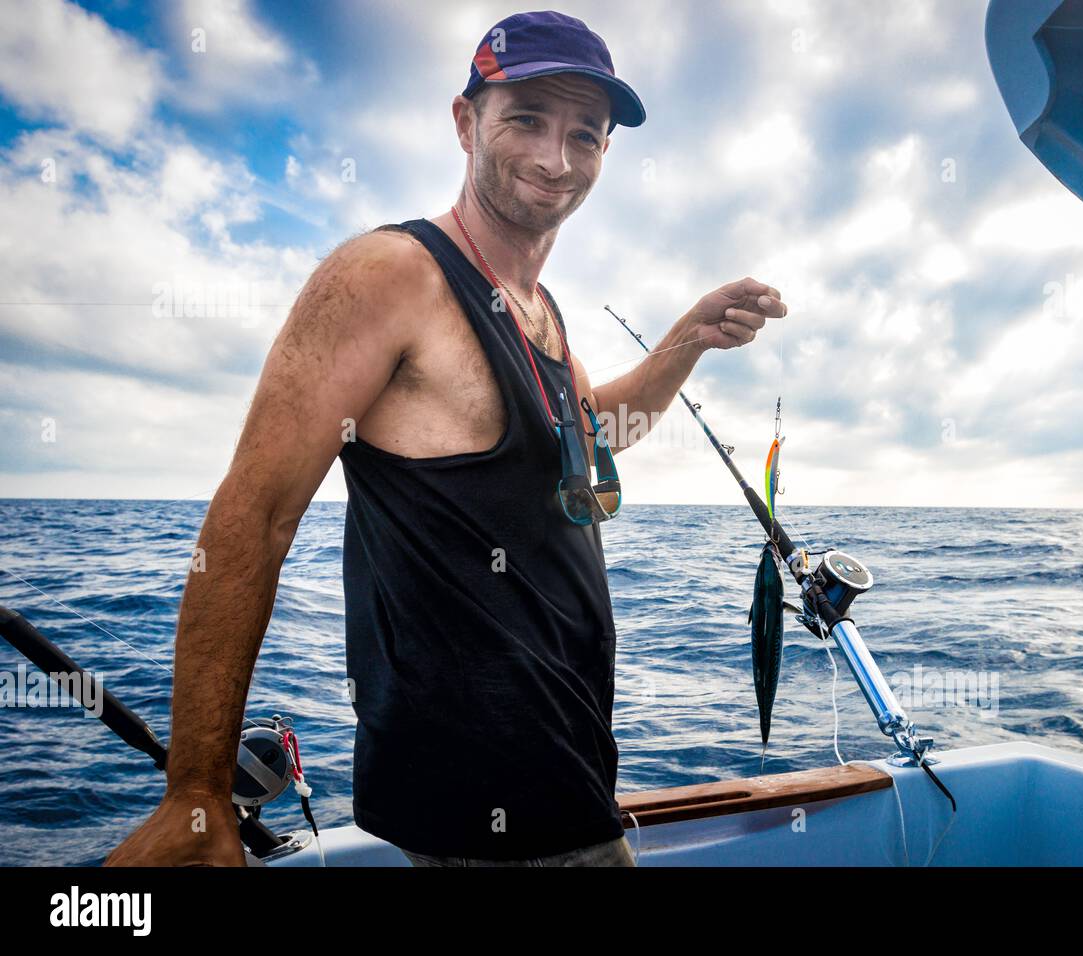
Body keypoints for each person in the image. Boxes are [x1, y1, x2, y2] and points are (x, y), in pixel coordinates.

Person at [104, 9, 786, 867]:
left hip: (568, 773)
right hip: (484, 806)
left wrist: (686, 339)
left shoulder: (541, 311)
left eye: (587, 134)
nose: (556, 158)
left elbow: (599, 430)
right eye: (527, 119)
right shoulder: (387, 276)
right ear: (465, 123)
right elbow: (255, 513)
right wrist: (197, 794)